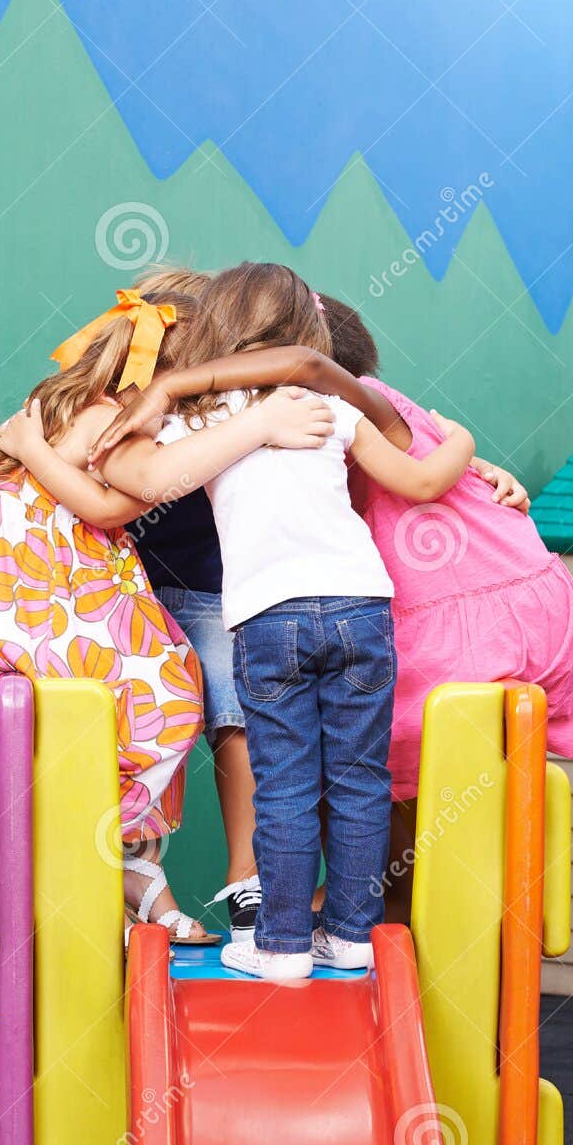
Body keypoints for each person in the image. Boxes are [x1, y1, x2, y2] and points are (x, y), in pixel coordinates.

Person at [0, 286, 334, 942]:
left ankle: (135, 877)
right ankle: (103, 866)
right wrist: (258, 425)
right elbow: (126, 498)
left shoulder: (53, 403)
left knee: (111, 719)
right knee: (167, 695)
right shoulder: (117, 420)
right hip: (35, 606)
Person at [138, 261, 477, 980]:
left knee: (287, 785)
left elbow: (144, 476)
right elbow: (422, 480)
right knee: (359, 781)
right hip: (362, 608)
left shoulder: (196, 418)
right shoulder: (333, 409)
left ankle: (282, 944)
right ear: (310, 335)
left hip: (270, 617)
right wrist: (463, 446)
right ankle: (352, 936)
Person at [317, 293, 573, 917]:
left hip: (465, 610)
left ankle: (382, 904)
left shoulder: (354, 400)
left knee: (368, 745)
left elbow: (420, 479)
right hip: (501, 592)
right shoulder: (350, 416)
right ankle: (388, 902)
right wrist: (468, 448)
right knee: (416, 771)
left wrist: (464, 443)